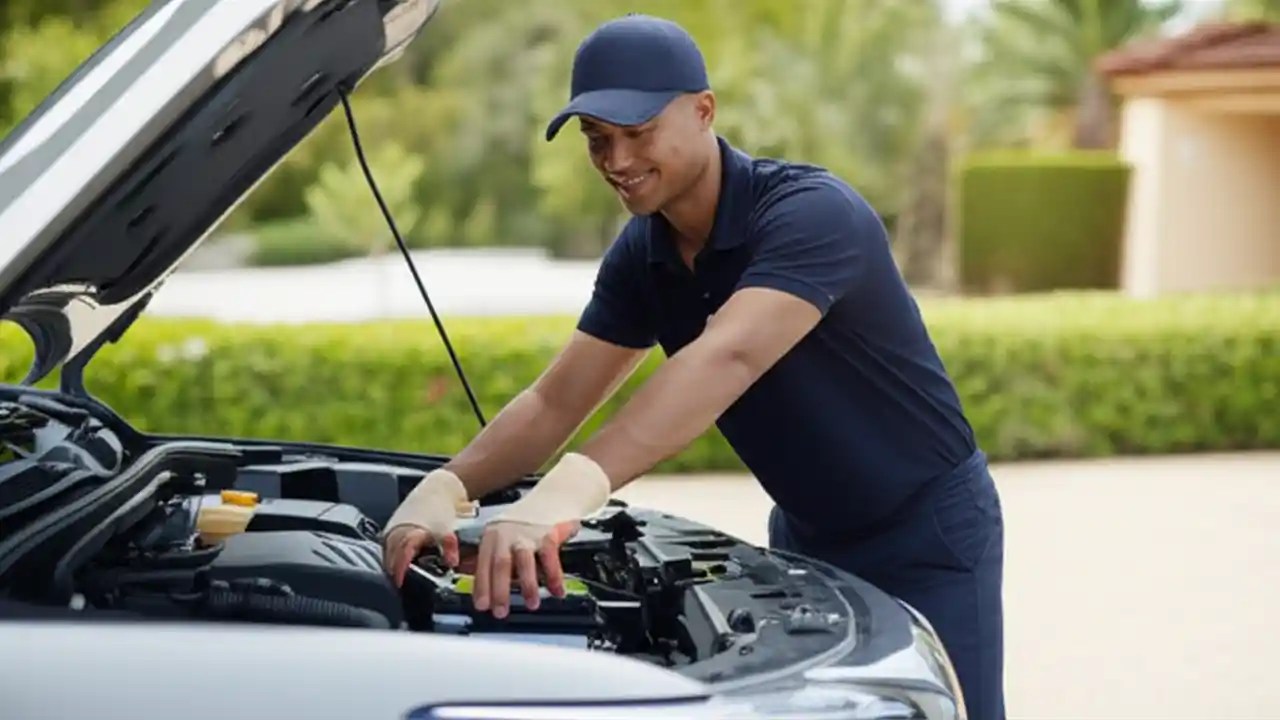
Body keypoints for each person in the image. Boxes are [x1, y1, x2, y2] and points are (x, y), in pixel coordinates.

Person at [381, 14, 1004, 720]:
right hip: (804, 534)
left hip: (924, 529)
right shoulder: (642, 253)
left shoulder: (811, 214)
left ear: (704, 110)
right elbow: (556, 401)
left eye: (637, 133)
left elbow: (724, 357)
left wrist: (557, 501)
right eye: (597, 141)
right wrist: (445, 487)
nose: (616, 159)